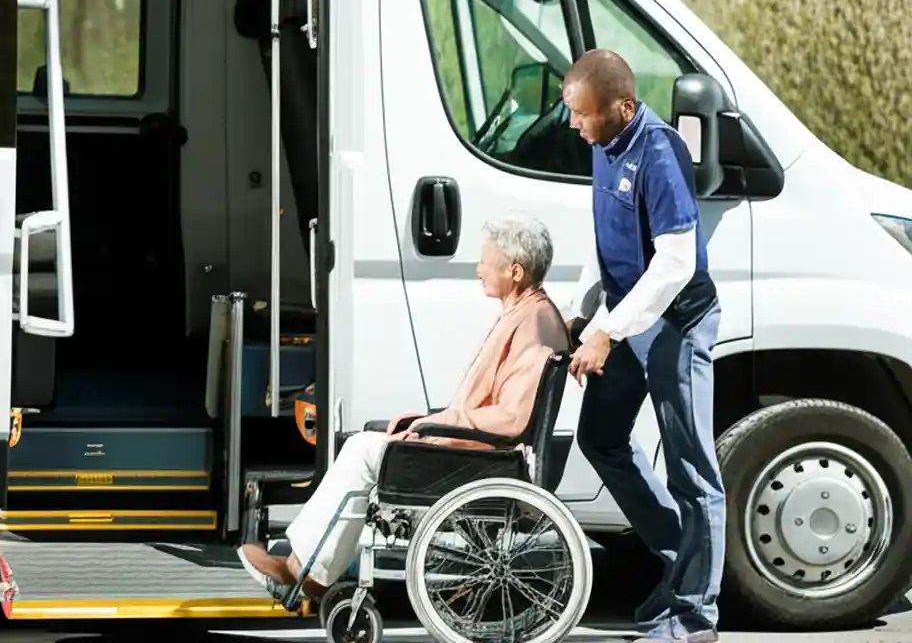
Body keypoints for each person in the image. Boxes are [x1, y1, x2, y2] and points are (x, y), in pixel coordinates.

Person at [236, 212, 571, 600]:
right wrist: (430, 420)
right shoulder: (526, 313)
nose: (478, 269)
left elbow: (512, 417)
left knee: (361, 450)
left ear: (515, 271)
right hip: (476, 448)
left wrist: (436, 423)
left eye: (485, 260)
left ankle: (301, 569)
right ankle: (309, 568)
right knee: (365, 443)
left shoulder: (534, 322)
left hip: (482, 457)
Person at [560, 49, 724, 643]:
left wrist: (607, 331)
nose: (574, 124)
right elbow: (607, 236)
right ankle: (686, 562)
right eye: (570, 112)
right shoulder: (604, 145)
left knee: (692, 470)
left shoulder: (658, 151)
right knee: (599, 437)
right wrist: (582, 314)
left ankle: (694, 614)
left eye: (582, 113)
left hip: (677, 320)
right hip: (629, 315)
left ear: (622, 107)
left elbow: (675, 263)